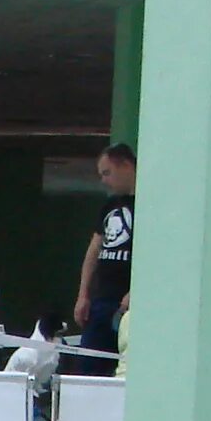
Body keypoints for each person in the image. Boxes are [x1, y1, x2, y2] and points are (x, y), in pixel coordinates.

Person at [70, 144, 135, 377]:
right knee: (89, 365)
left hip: (127, 304)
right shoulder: (110, 206)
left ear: (126, 166)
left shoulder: (148, 205)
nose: (104, 181)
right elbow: (94, 250)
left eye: (107, 173)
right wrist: (83, 294)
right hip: (102, 299)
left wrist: (135, 290)